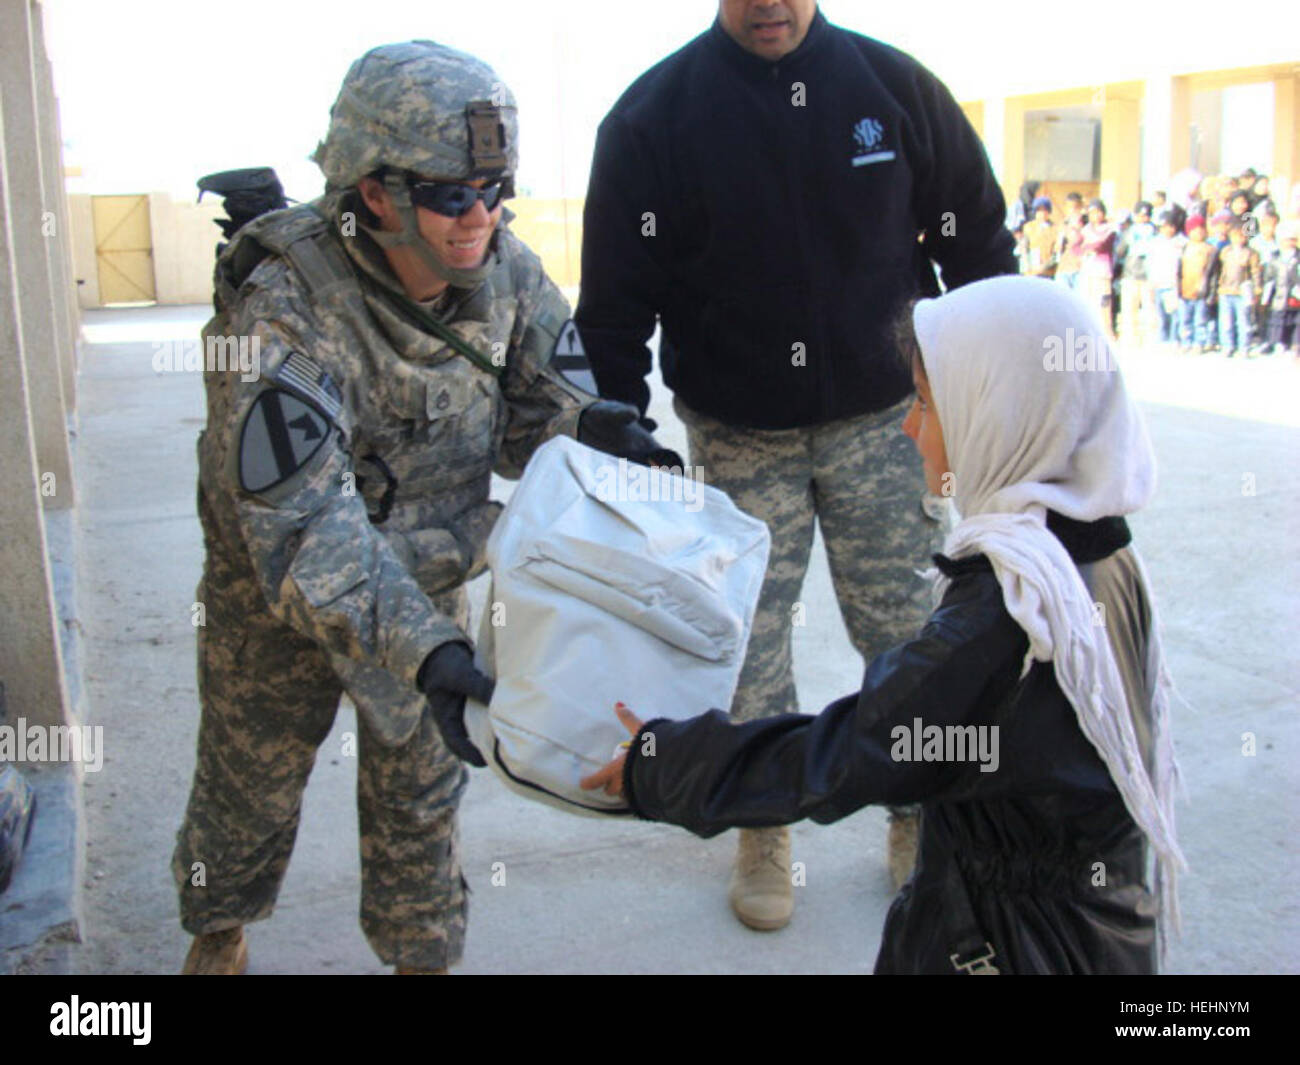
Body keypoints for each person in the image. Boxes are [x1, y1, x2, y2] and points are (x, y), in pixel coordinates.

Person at [172, 40, 675, 975]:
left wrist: (595, 427)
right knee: (252, 782)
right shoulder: (284, 310)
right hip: (280, 598)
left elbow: (542, 410)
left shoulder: (507, 273)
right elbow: (306, 534)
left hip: (429, 577)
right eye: (451, 194)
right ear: (374, 192)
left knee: (420, 800)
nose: (478, 216)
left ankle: (421, 959)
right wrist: (432, 650)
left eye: (495, 187)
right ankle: (219, 931)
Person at [582, 276, 1186, 975]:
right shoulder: (1092, 555)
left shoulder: (1010, 616)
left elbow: (852, 749)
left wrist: (666, 763)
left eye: (926, 404)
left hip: (1008, 945)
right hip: (1082, 931)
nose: (907, 426)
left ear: (1000, 414)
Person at [575, 0, 1015, 932]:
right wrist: (619, 436)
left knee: (908, 633)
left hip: (887, 422)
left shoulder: (893, 91)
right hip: (740, 434)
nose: (769, 3)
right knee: (747, 646)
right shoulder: (655, 116)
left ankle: (920, 815)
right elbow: (614, 302)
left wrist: (987, 393)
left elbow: (977, 242)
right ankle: (762, 821)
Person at [1216, 219, 1262, 358]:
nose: (1239, 239)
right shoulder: (1225, 251)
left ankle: (1244, 347)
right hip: (1225, 291)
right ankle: (1228, 345)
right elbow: (1220, 269)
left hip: (1242, 292)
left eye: (1242, 236)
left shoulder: (1251, 253)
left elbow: (1255, 272)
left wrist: (1257, 288)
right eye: (1235, 236)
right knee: (1226, 322)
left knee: (1243, 321)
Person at [1115, 201, 1155, 345]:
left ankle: (1150, 338)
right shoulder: (1130, 232)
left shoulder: (1155, 232)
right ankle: (1130, 339)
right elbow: (1120, 251)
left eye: (1146, 215)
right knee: (1129, 309)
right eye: (1140, 215)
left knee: (1149, 309)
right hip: (1130, 274)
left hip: (1149, 275)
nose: (1143, 218)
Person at [1177, 214, 1218, 354]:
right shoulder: (1184, 248)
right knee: (1185, 320)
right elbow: (1178, 271)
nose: (1198, 232)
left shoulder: (1210, 250)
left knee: (1200, 320)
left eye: (1201, 229)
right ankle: (1185, 342)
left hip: (1201, 291)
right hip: (1185, 290)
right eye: (1194, 230)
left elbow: (1213, 274)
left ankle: (1199, 343)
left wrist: (1211, 293)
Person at [1261, 221, 1300, 356]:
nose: (1290, 243)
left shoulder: (1298, 257)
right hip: (1279, 295)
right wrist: (1266, 297)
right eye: (1286, 240)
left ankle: (1295, 344)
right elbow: (1269, 278)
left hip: (1296, 296)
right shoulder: (1275, 257)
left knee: (1296, 321)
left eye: (1292, 240)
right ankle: (1277, 342)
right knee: (1277, 319)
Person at [1080, 199, 1117, 339]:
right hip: (1087, 270)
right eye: (1092, 213)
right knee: (1087, 302)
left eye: (1098, 212)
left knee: (1103, 304)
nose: (1095, 216)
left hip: (1102, 271)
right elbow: (1077, 246)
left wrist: (1089, 246)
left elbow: (1103, 245)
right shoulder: (1085, 229)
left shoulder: (1110, 229)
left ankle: (1106, 333)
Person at [1021, 195, 1058, 278]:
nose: (1041, 214)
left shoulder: (1055, 229)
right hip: (1031, 271)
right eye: (1038, 211)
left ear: (1049, 212)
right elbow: (1024, 248)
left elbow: (1056, 253)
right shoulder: (1028, 227)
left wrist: (1044, 267)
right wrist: (1027, 266)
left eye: (1044, 210)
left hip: (1048, 272)